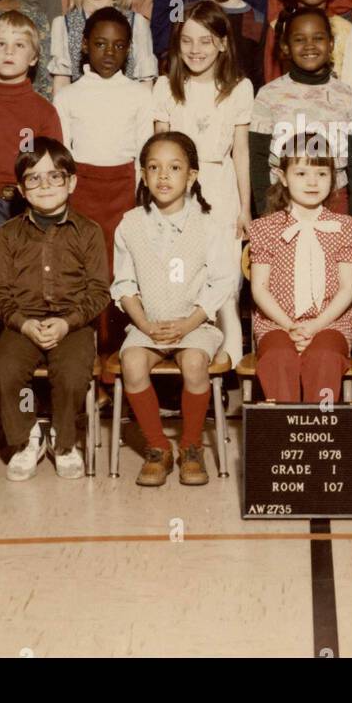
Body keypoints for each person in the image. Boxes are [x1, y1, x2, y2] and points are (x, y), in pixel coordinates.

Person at [112, 132, 238, 486]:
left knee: (196, 362)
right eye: (154, 167)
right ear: (142, 174)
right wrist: (145, 325)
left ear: (192, 176)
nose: (163, 176)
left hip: (194, 321)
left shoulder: (209, 226)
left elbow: (221, 283)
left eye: (174, 168)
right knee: (133, 361)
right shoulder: (130, 224)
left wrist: (188, 324)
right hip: (147, 322)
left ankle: (191, 446)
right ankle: (157, 447)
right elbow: (124, 285)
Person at [0, 138, 109, 481]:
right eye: (33, 179)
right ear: (22, 190)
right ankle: (27, 438)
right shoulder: (8, 234)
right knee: (5, 372)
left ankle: (64, 440)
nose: (45, 186)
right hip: (21, 324)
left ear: (71, 182)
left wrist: (68, 323)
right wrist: (23, 324)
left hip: (74, 325)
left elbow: (99, 291)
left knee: (70, 375)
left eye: (55, 177)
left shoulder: (89, 232)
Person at [152, 1, 254, 366]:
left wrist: (245, 209)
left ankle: (229, 365)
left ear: (223, 44)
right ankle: (188, 366)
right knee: (182, 278)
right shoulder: (165, 87)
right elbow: (155, 153)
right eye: (188, 41)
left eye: (206, 42)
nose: (196, 50)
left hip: (221, 188)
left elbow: (241, 152)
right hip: (177, 191)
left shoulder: (240, 88)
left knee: (224, 281)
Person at [52, 7, 156, 348]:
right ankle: (85, 362)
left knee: (120, 274)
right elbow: (62, 155)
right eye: (100, 44)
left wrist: (141, 201)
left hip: (123, 192)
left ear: (129, 49)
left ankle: (114, 363)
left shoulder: (140, 95)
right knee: (83, 273)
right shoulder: (67, 96)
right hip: (81, 193)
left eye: (119, 46)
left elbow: (144, 153)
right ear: (84, 45)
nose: (109, 53)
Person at [249, 132, 352, 404]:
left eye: (322, 174)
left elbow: (348, 289)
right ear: (283, 177)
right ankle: (284, 435)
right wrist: (290, 326)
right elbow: (260, 288)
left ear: (333, 178)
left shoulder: (345, 227)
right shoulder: (265, 227)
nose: (312, 182)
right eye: (301, 173)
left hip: (329, 322)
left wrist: (314, 326)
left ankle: (319, 429)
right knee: (279, 357)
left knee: (324, 358)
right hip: (277, 322)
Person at [249, 8, 352, 218]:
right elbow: (257, 159)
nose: (309, 46)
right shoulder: (267, 95)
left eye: (318, 38)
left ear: (331, 43)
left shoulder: (351, 96)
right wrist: (264, 211)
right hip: (281, 201)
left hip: (335, 200)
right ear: (285, 47)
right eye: (299, 39)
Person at [0, 9, 62, 237]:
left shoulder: (45, 112)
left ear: (34, 58)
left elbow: (54, 168)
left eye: (19, 45)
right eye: (1, 44)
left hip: (31, 203)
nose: (9, 51)